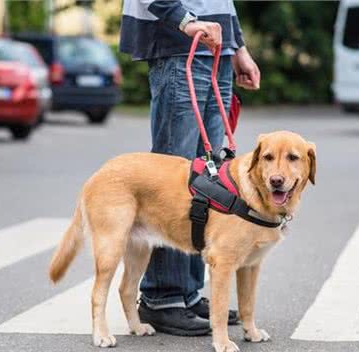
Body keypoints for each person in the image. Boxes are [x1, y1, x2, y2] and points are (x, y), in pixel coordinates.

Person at [119, 0, 261, 336]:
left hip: (217, 47)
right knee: (172, 179)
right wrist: (184, 21)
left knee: (208, 179)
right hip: (179, 45)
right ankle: (162, 297)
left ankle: (187, 291)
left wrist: (237, 46)